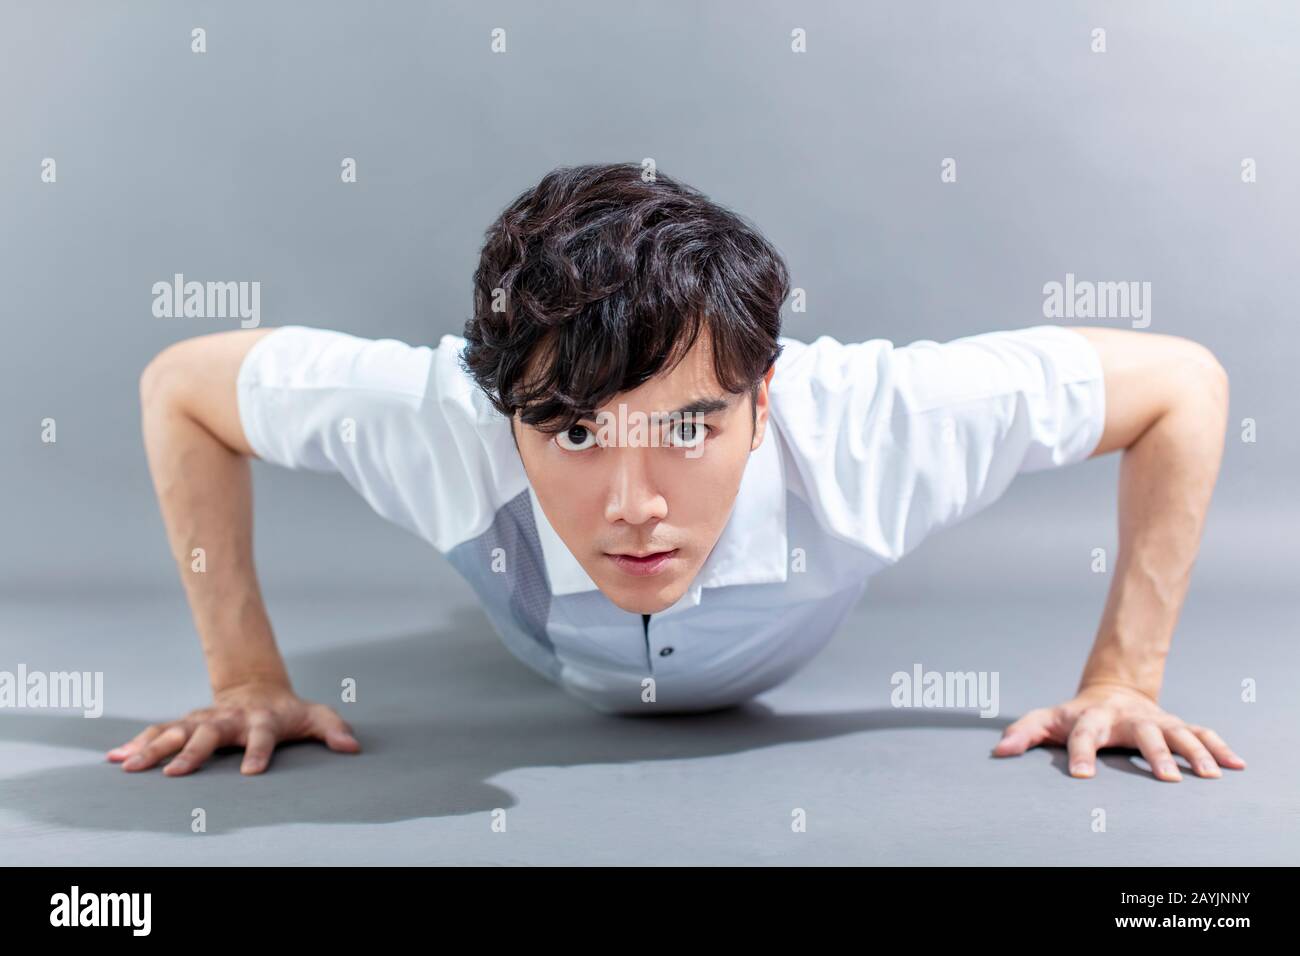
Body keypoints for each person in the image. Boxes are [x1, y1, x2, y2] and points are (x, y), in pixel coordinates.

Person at [112, 163, 1244, 783]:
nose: (634, 505)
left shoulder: (877, 429)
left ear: (764, 400)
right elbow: (182, 383)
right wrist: (243, 676)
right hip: (542, 645)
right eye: (572, 433)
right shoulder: (432, 420)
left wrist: (1124, 681)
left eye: (690, 427)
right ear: (498, 411)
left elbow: (1180, 384)